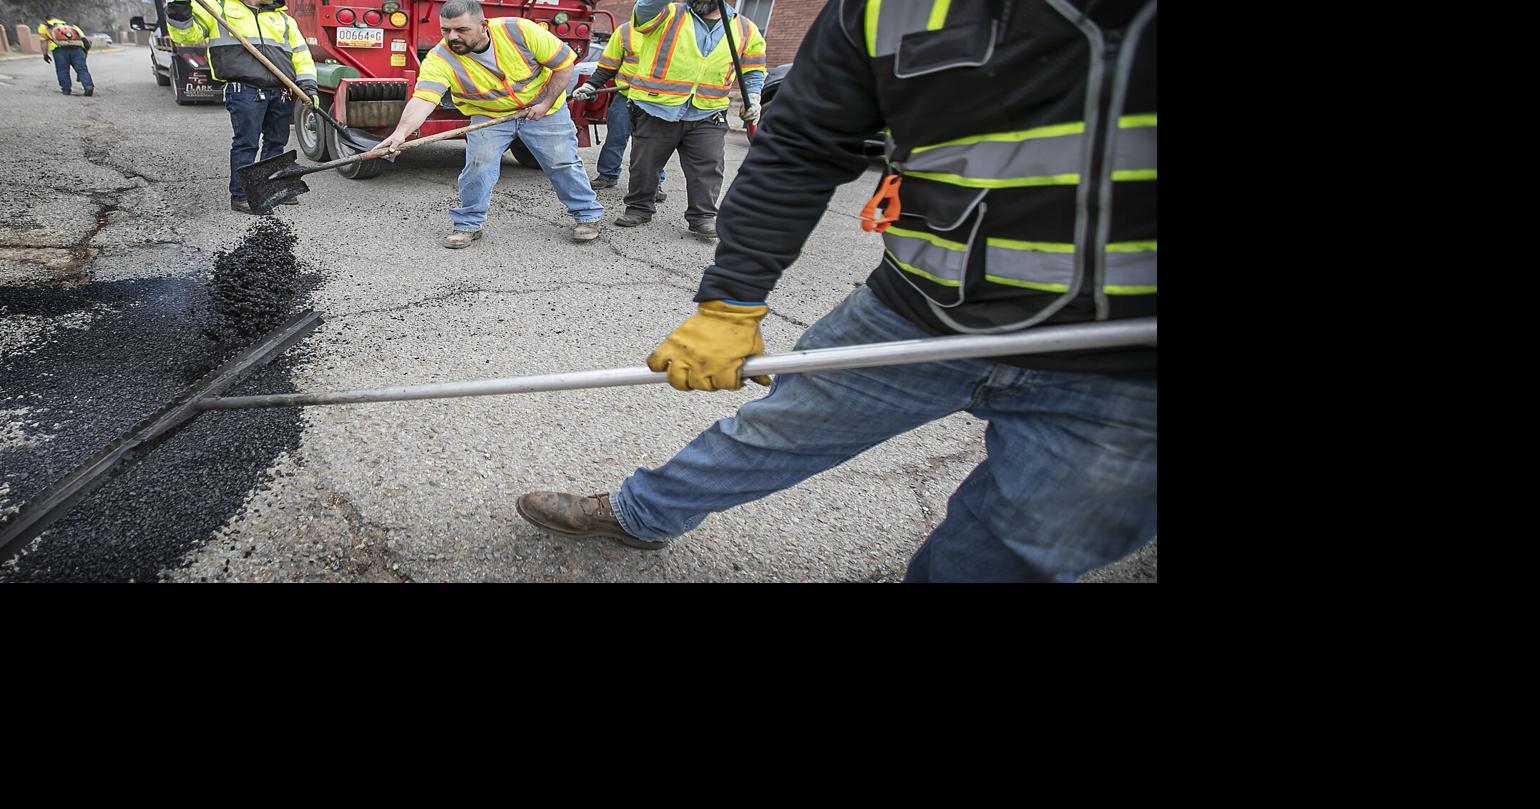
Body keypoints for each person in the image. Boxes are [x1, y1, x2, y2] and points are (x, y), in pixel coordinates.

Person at [516, 0, 1159, 582]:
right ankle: (643, 515)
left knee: (1020, 548)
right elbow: (801, 147)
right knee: (778, 429)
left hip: (1125, 364)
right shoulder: (889, 9)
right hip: (918, 306)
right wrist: (731, 301)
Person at [376, 0, 604, 245]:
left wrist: (546, 103)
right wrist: (401, 133)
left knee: (563, 162)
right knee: (478, 167)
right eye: (446, 30)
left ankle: (587, 216)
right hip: (490, 115)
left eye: (461, 30)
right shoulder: (440, 57)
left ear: (483, 25)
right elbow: (424, 98)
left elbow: (563, 65)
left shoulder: (519, 30)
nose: (452, 37)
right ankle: (468, 225)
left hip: (542, 109)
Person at [610, 0, 766, 238]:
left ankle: (702, 216)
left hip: (708, 110)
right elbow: (645, 8)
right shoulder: (666, 12)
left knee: (709, 166)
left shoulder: (745, 29)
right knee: (645, 165)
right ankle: (639, 208)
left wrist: (753, 96)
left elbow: (753, 69)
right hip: (657, 107)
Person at [166, 0, 319, 215]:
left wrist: (308, 86)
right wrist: (179, 6)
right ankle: (241, 196)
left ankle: (270, 188)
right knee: (246, 144)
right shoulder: (220, 7)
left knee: (276, 142)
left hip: (280, 90)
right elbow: (185, 35)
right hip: (245, 89)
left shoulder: (283, 19)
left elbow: (301, 55)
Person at [570, 23, 666, 203]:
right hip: (626, 96)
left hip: (657, 99)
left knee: (652, 144)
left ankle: (654, 183)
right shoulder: (625, 31)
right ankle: (607, 175)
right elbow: (608, 65)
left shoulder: (674, 29)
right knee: (616, 137)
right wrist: (591, 85)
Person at [36, 14, 93, 97]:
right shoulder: (69, 25)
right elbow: (84, 39)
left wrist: (45, 54)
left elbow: (43, 42)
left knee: (62, 70)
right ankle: (88, 86)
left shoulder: (44, 26)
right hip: (77, 48)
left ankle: (66, 89)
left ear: (47, 19)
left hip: (59, 49)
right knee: (82, 69)